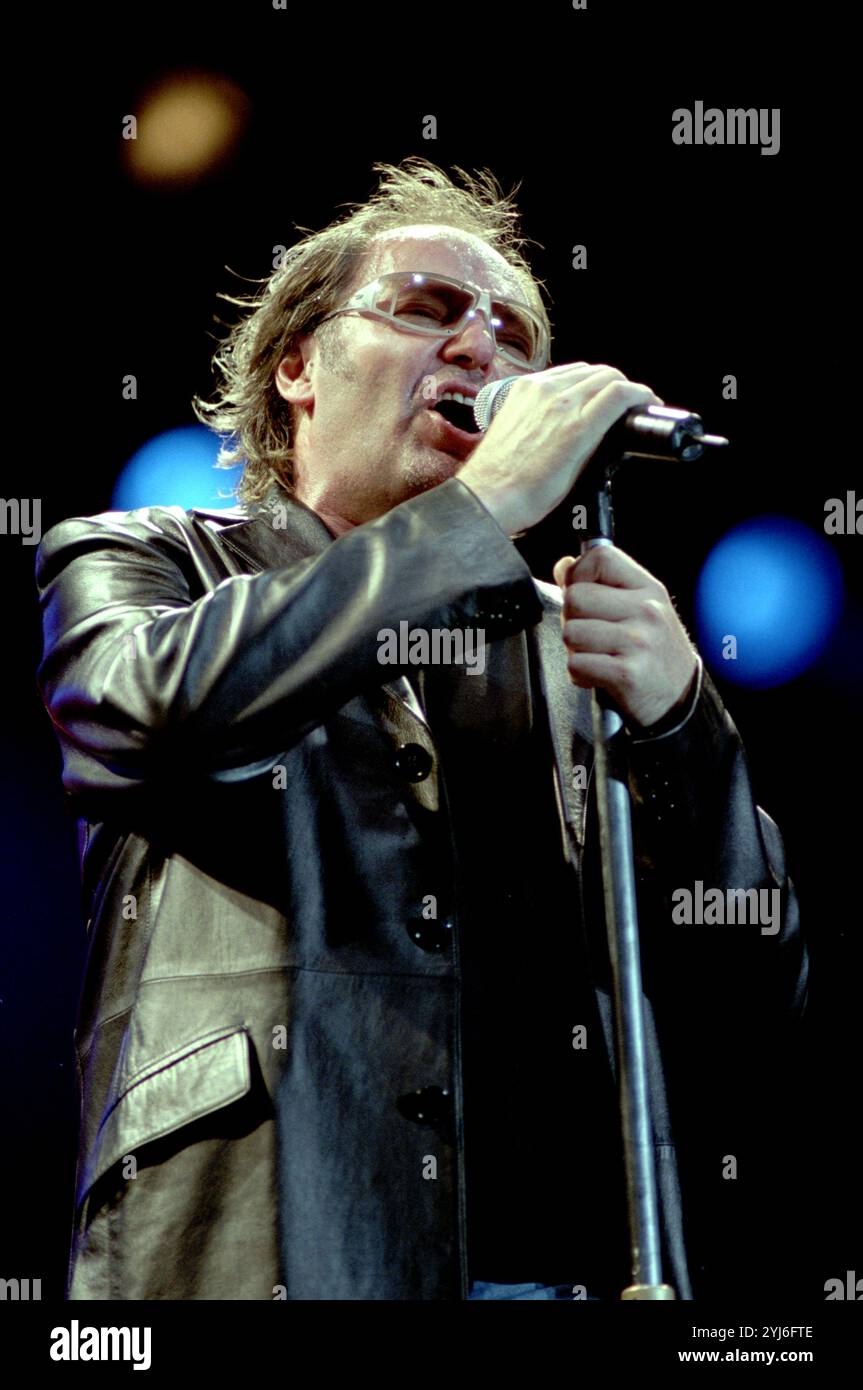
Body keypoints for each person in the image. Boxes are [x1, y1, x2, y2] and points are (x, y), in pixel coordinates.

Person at [35, 158, 808, 1301]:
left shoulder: (569, 645)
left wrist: (681, 721)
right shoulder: (149, 559)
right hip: (251, 1255)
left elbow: (750, 988)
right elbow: (141, 716)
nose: (478, 352)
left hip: (547, 1272)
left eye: (508, 337)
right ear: (296, 365)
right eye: (428, 310)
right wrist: (476, 510)